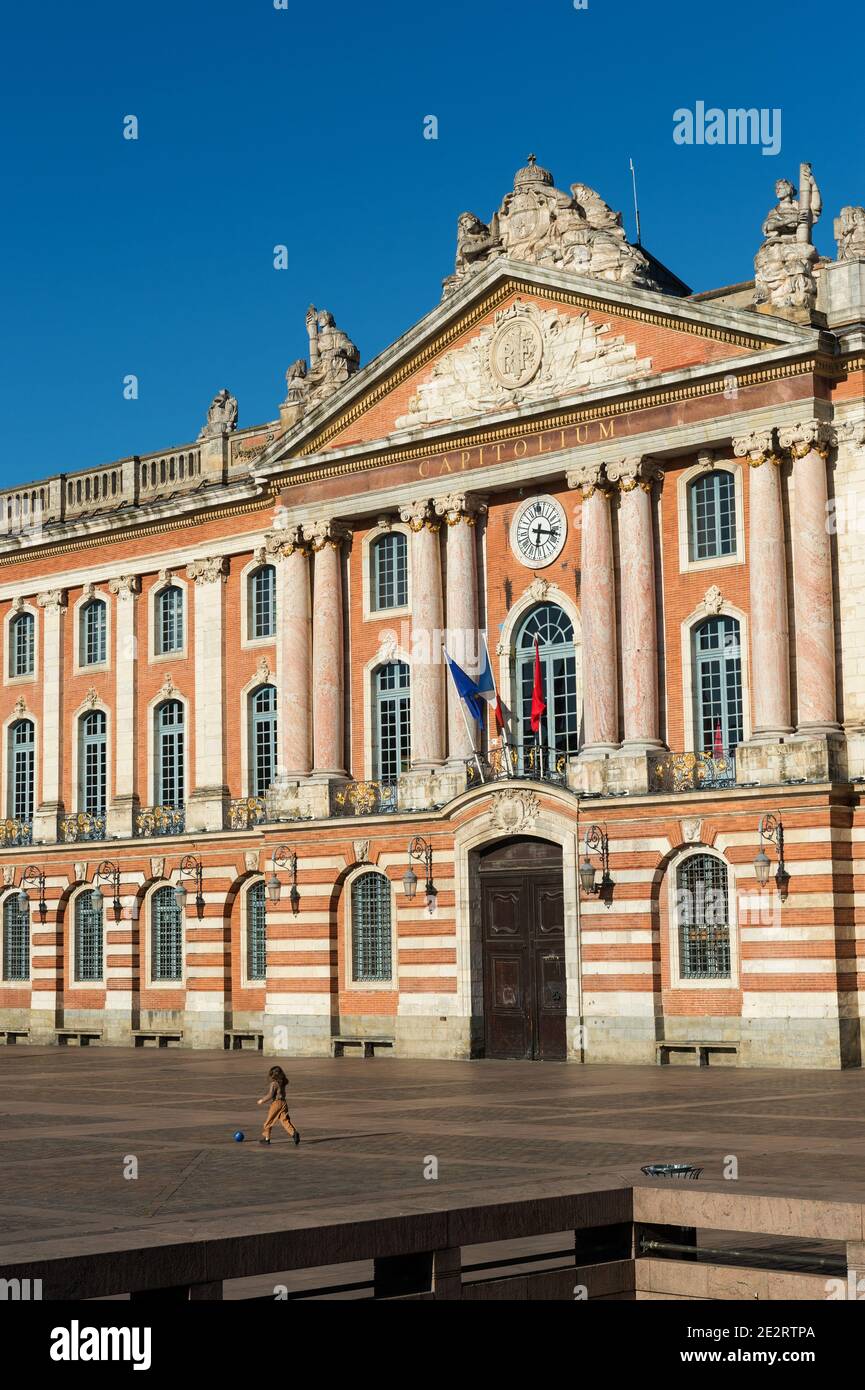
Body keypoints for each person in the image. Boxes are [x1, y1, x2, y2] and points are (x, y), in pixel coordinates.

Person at [257, 1065, 301, 1146]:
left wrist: (262, 1100)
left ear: (273, 1075)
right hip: (283, 1103)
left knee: (268, 1121)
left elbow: (270, 1095)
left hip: (276, 1104)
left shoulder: (274, 1084)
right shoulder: (283, 1082)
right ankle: (294, 1133)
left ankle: (267, 1139)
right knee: (285, 1121)